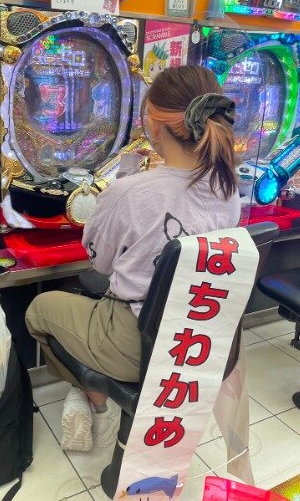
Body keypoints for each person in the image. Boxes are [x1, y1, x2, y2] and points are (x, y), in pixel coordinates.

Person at [25, 65, 240, 452]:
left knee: (38, 310)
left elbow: (101, 263)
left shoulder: (131, 192)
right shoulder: (228, 186)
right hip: (198, 340)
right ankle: (91, 389)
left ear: (154, 124)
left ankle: (94, 399)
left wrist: (126, 183)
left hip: (136, 344)